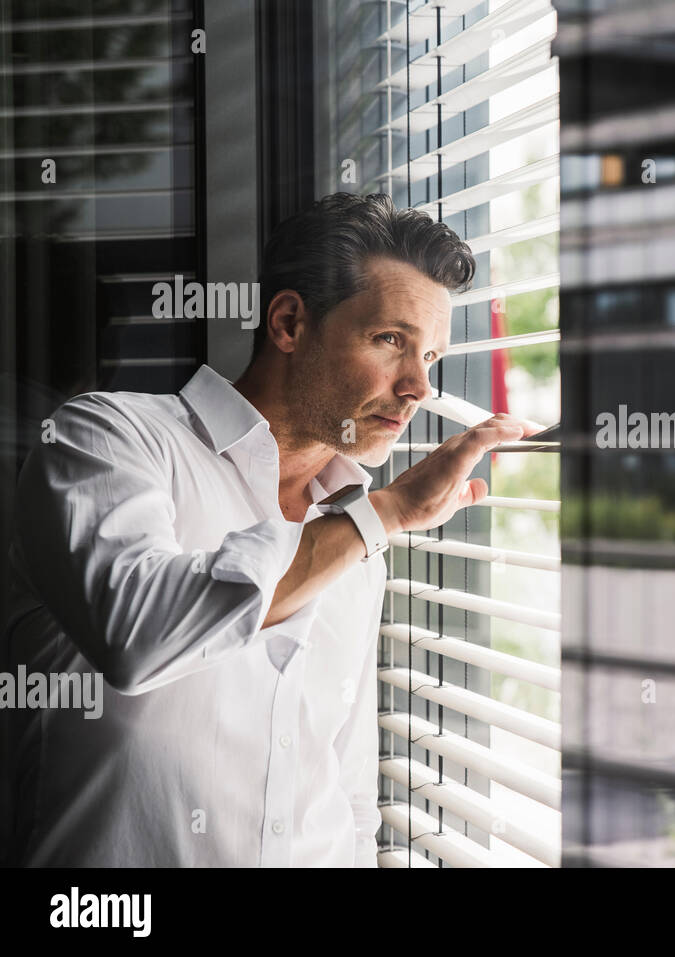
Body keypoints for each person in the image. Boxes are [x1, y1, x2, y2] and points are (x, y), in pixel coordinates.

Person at [0, 192, 533, 866]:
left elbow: (345, 790)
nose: (419, 386)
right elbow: (136, 635)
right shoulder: (106, 440)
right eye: (392, 340)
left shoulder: (358, 542)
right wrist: (385, 514)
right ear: (289, 323)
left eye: (430, 355)